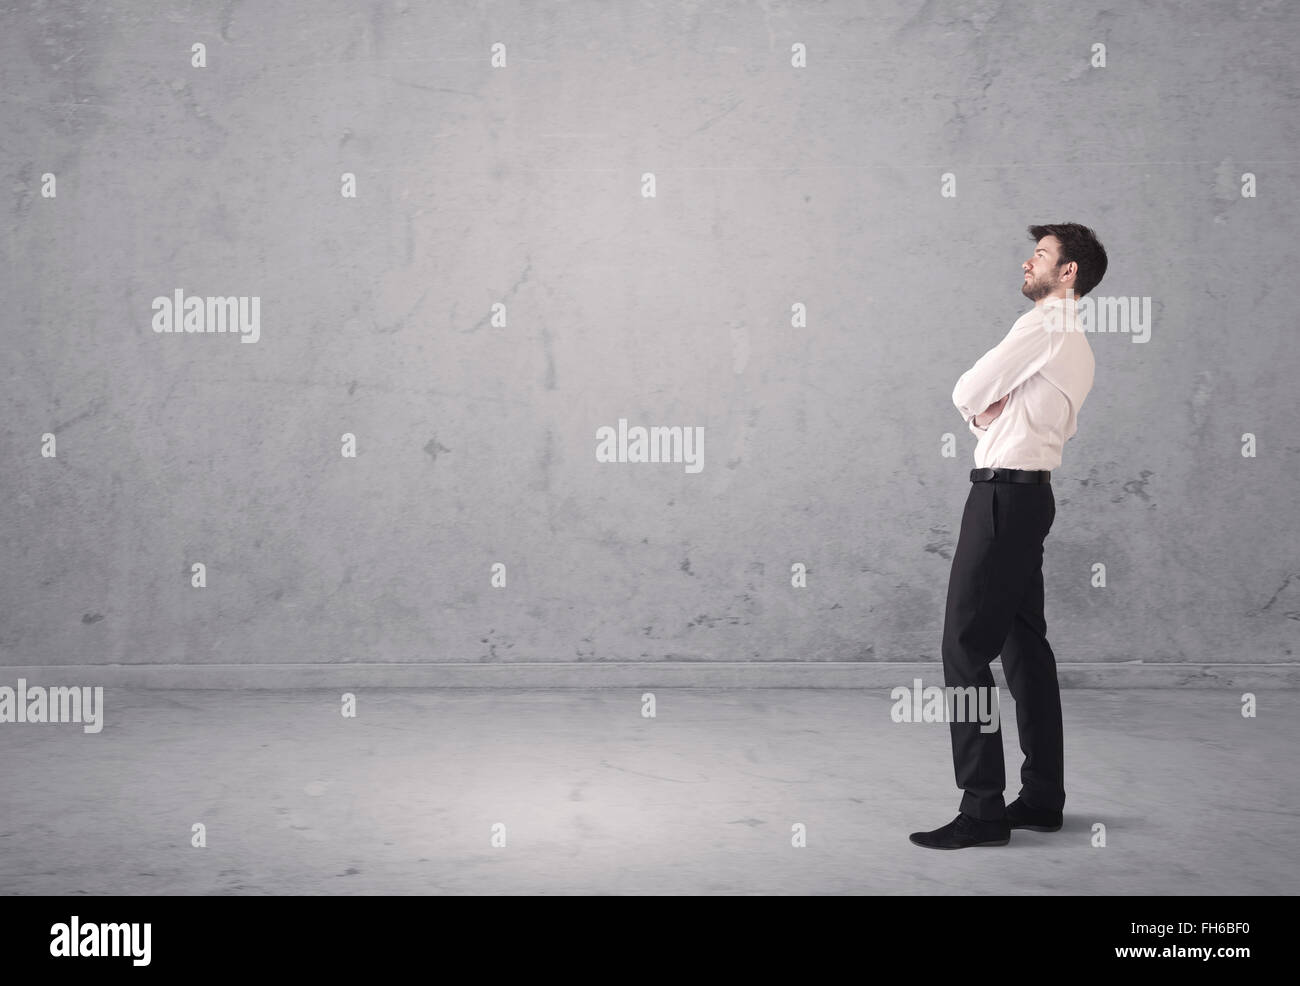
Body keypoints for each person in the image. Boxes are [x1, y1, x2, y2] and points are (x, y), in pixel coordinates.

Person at [909, 223, 1108, 849]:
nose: (1030, 260)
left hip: (998, 499)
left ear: (1069, 272)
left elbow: (968, 392)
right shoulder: (1075, 343)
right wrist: (986, 414)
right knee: (1025, 645)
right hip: (1032, 497)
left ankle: (983, 810)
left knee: (965, 647)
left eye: (1043, 254)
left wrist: (978, 410)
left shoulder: (1044, 325)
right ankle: (1043, 797)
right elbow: (1015, 418)